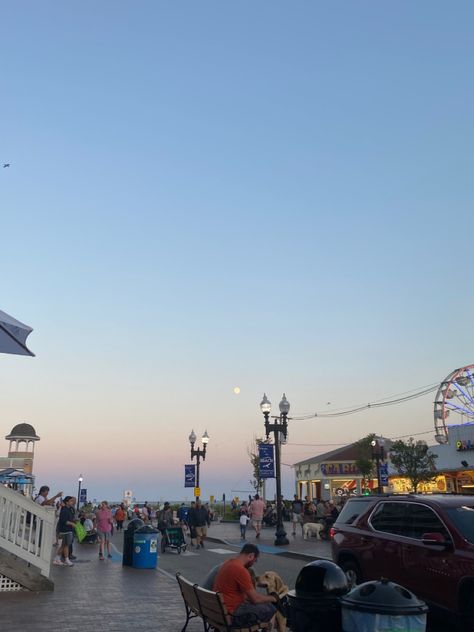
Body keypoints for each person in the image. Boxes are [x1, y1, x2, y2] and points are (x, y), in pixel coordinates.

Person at [213, 544, 276, 626]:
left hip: (219, 611)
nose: (253, 563)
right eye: (255, 560)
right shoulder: (241, 570)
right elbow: (255, 599)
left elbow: (245, 596)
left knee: (266, 605)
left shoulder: (227, 563)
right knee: (271, 609)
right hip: (231, 615)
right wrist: (274, 598)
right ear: (251, 556)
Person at [53, 496, 77, 567]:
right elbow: (64, 521)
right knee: (65, 545)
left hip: (68, 530)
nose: (73, 502)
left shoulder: (69, 509)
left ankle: (59, 559)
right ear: (67, 502)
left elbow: (70, 518)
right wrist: (72, 524)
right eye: (71, 501)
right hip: (65, 530)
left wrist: (74, 521)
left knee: (65, 545)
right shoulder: (64, 510)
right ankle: (63, 559)